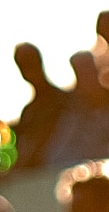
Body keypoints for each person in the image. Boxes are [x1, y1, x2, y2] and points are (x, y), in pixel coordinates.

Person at [44, 45, 109, 171]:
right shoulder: (74, 121)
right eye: (81, 74)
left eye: (91, 70)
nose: (88, 79)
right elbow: (55, 158)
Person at [11, 43, 69, 172]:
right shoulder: (29, 112)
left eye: (30, 62)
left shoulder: (65, 101)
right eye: (23, 65)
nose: (28, 69)